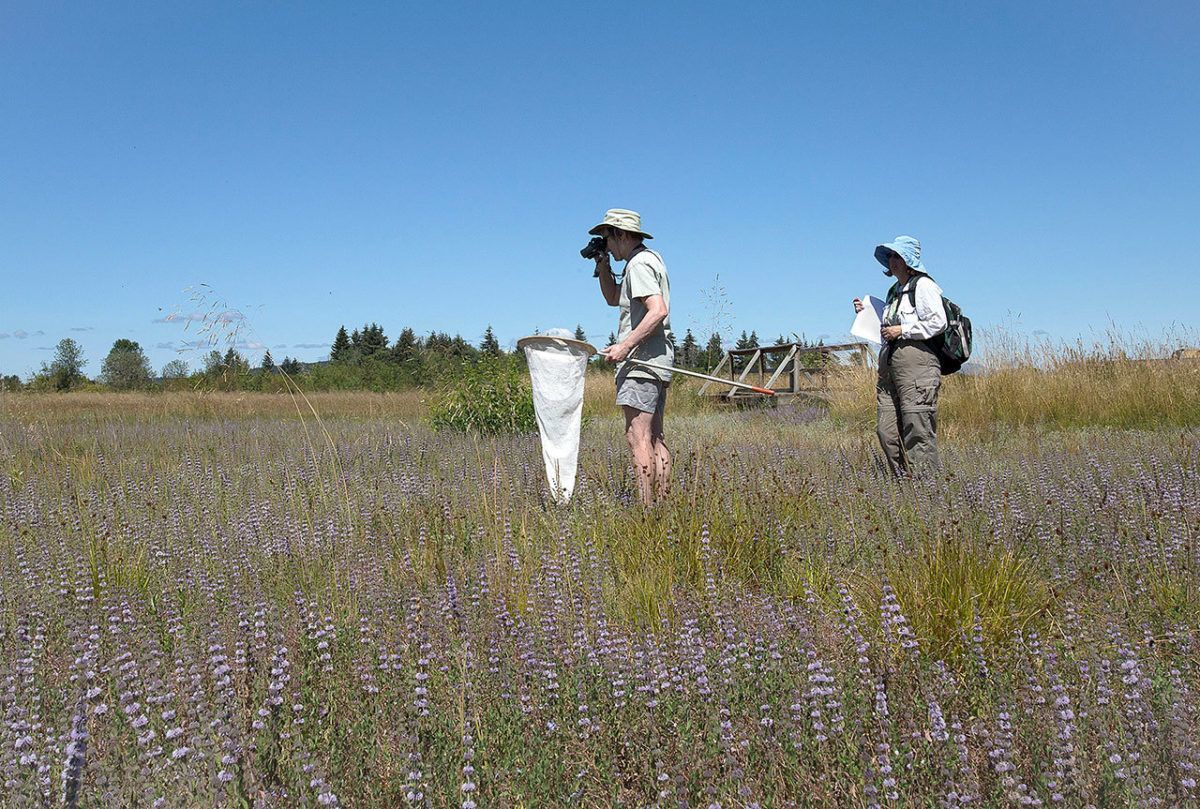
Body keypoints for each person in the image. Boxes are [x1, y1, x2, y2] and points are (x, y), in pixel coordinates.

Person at [591, 208, 673, 505]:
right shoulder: (648, 261)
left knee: (637, 438)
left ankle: (646, 509)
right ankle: (661, 505)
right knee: (654, 438)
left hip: (640, 363)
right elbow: (614, 298)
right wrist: (603, 265)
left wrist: (624, 347)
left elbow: (658, 310)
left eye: (608, 238)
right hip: (657, 361)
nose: (608, 245)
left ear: (622, 235)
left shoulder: (639, 265)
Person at [853, 235, 947, 475]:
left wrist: (903, 330)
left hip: (918, 365)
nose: (892, 261)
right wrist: (867, 313)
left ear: (910, 260)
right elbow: (885, 329)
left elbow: (938, 321)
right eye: (890, 256)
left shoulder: (924, 285)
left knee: (917, 427)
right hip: (889, 366)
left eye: (898, 256)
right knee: (886, 430)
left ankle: (925, 487)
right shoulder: (893, 291)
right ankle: (903, 479)